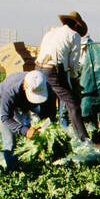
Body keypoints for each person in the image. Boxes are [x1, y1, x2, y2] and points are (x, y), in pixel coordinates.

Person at [35, 11, 90, 143]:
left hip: (39, 69)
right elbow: (73, 62)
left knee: (47, 105)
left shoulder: (51, 32)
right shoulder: (74, 35)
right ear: (76, 25)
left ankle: (44, 138)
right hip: (53, 70)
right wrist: (74, 79)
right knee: (73, 104)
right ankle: (84, 139)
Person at [0, 69, 51, 171]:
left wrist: (44, 124)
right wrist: (25, 131)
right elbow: (6, 118)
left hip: (25, 102)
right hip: (2, 101)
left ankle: (36, 165)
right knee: (9, 140)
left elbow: (49, 112)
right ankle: (12, 171)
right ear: (25, 87)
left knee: (37, 132)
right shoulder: (10, 91)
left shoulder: (45, 85)